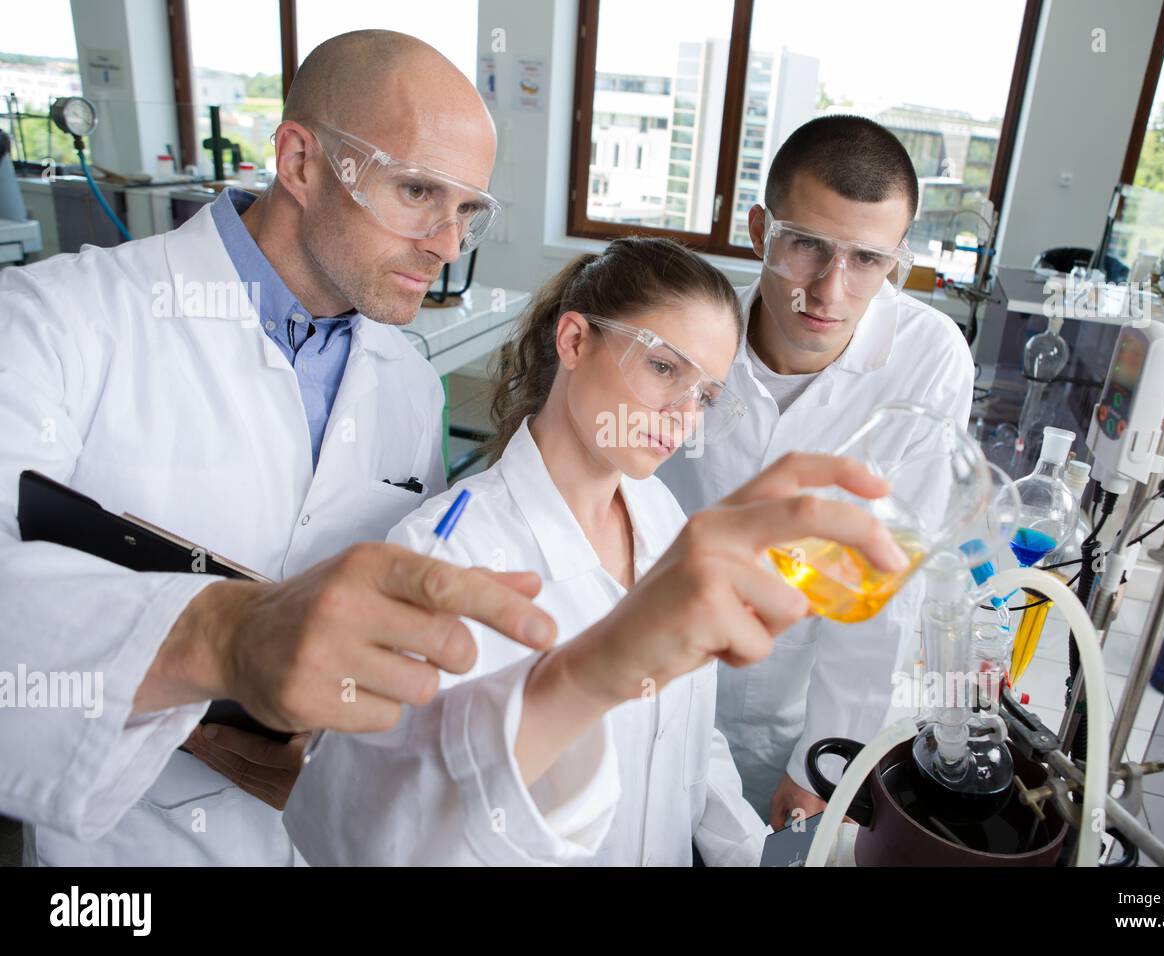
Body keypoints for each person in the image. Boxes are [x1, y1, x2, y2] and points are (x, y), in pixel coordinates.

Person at [0, 30, 905, 867]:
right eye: (416, 191)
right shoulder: (58, 323)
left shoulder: (399, 380)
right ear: (300, 160)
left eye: (468, 208)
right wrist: (215, 637)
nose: (446, 244)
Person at [285, 237, 802, 865]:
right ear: (576, 342)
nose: (682, 415)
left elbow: (692, 740)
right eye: (665, 368)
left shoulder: (664, 520)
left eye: (706, 396)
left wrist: (755, 856)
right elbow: (374, 830)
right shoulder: (447, 553)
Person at [658, 115, 975, 828]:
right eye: (807, 245)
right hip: (660, 678)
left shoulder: (929, 358)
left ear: (897, 258)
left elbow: (886, 581)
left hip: (803, 708)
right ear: (757, 229)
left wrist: (824, 761)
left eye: (868, 260)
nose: (830, 291)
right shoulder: (688, 333)